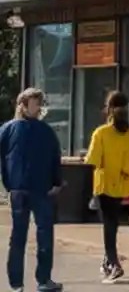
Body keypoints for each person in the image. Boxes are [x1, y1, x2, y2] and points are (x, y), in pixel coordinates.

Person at [0, 88, 64, 292]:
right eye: (35, 104)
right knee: (40, 234)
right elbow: (55, 158)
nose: (38, 108)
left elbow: (55, 158)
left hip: (25, 188)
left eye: (39, 103)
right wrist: (56, 182)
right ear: (23, 105)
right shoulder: (44, 131)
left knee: (22, 236)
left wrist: (7, 181)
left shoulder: (8, 129)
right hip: (35, 189)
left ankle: (20, 283)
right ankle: (40, 280)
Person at [84, 91, 129, 284]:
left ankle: (114, 264)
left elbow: (93, 160)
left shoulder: (101, 133)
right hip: (123, 184)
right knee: (113, 222)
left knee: (109, 226)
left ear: (108, 109)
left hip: (104, 184)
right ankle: (108, 262)